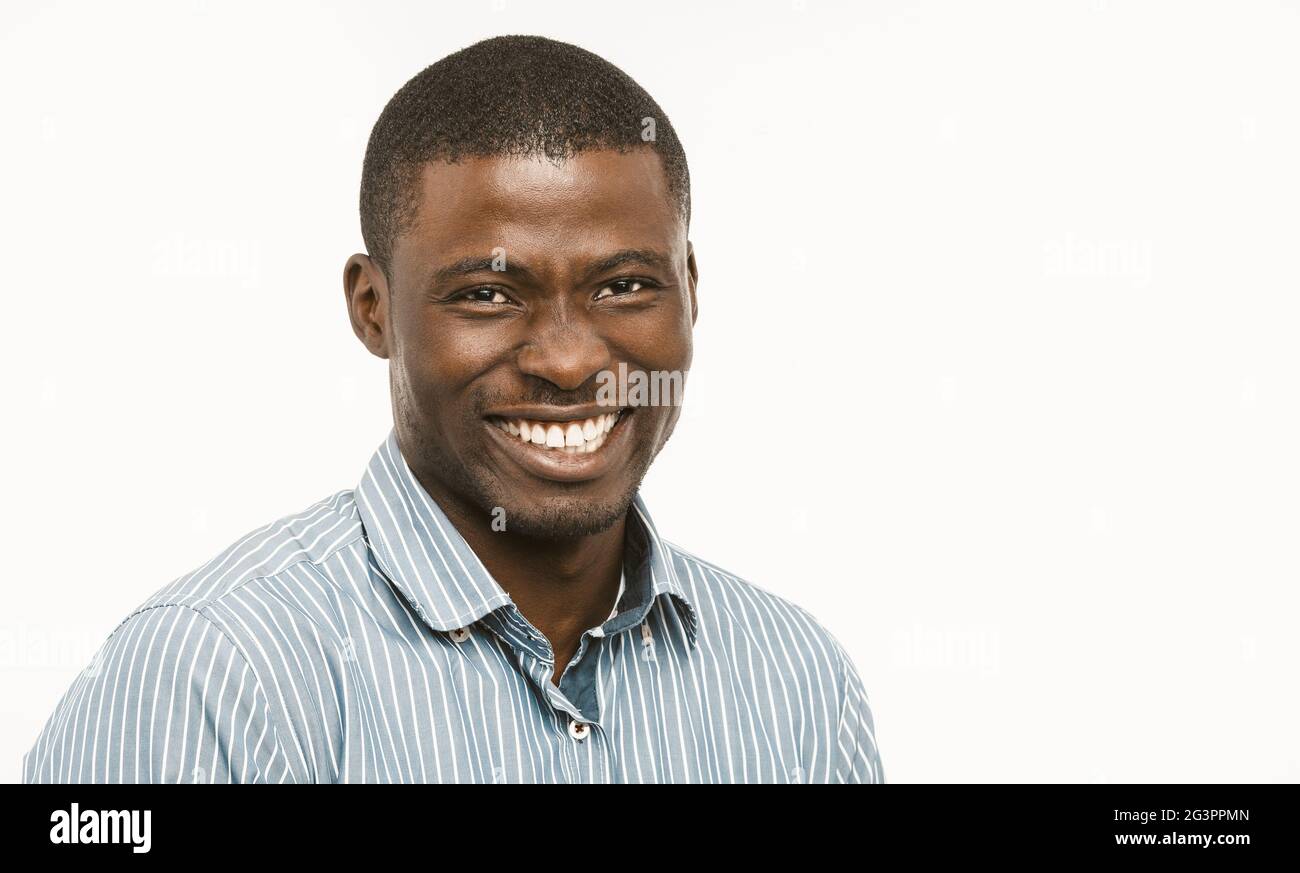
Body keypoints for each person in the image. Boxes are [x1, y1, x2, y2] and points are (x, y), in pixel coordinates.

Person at [23, 34, 883, 784]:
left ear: (690, 291)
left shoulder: (799, 686)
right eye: (488, 294)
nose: (570, 359)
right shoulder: (210, 677)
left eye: (624, 286)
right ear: (372, 308)